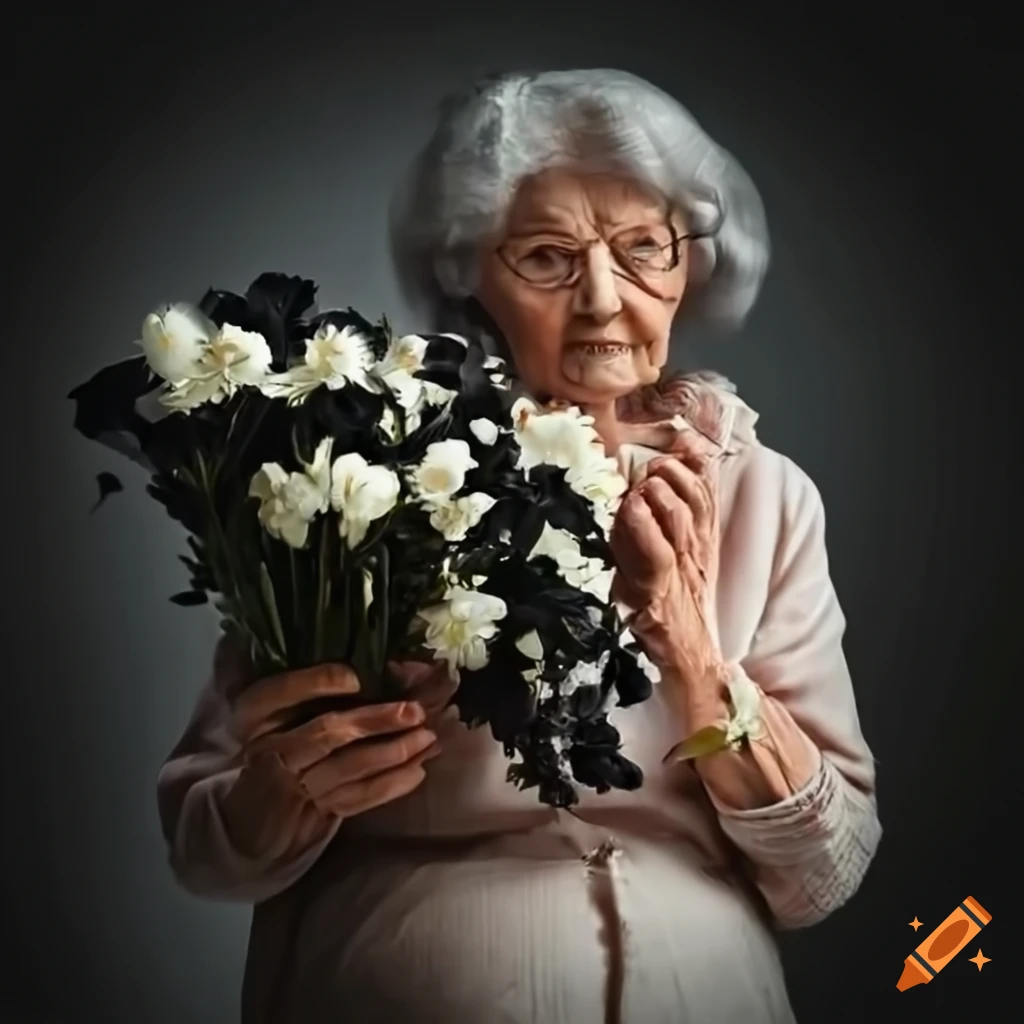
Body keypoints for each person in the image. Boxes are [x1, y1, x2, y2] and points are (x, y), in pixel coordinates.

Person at [157, 68, 882, 1023]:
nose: (604, 301)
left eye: (641, 250)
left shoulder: (768, 497)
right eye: (547, 256)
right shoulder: (363, 479)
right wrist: (289, 782)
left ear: (687, 264)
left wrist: (696, 659)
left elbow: (824, 872)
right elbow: (210, 849)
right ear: (470, 270)